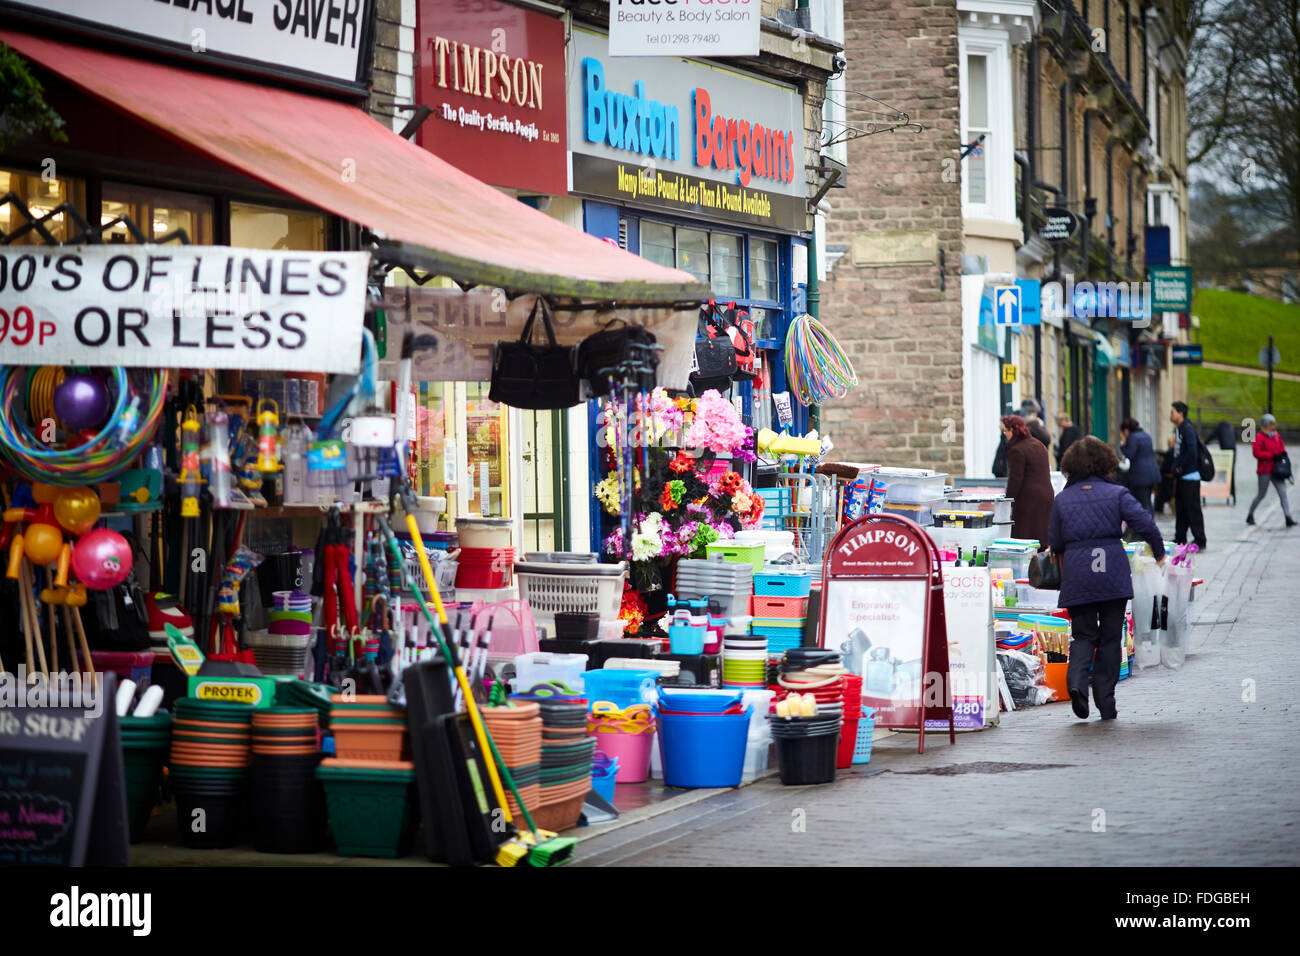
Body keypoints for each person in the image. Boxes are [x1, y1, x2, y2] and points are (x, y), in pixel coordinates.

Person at [1050, 437, 1166, 720]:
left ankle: (1077, 684)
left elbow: (1055, 541)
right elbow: (1146, 523)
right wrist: (1159, 552)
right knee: (1112, 638)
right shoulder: (1118, 494)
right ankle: (1105, 699)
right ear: (1106, 462)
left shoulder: (1062, 499)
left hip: (1078, 573)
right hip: (1111, 573)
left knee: (1083, 635)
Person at [1002, 414, 1054, 546]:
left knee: (1024, 538)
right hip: (1047, 495)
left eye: (1006, 431)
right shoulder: (1039, 444)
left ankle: (1028, 566)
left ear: (1012, 430)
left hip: (1028, 499)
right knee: (1041, 536)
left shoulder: (1017, 450)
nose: (1005, 434)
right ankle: (1043, 564)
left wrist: (1007, 502)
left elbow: (1015, 480)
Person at [1169, 401, 1208, 550]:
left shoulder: (1188, 429)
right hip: (1182, 477)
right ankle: (1180, 537)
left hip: (1190, 476)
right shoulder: (1180, 429)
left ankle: (1200, 539)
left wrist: (1180, 467)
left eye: (1173, 412)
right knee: (1181, 508)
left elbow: (1192, 452)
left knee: (1193, 509)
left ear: (1180, 413)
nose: (1171, 415)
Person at [1246, 413, 1296, 527]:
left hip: (1277, 470)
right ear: (1265, 425)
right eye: (1270, 424)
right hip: (1265, 470)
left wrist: (1282, 454)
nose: (1272, 426)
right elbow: (1256, 452)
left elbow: (1281, 447)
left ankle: (1288, 516)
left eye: (1273, 424)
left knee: (1283, 493)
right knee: (1261, 494)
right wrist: (1272, 456)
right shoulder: (1259, 437)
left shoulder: (1276, 436)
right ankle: (1250, 514)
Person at [1119, 417, 1160, 513]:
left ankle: (1147, 525)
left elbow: (1130, 454)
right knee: (1148, 502)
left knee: (1143, 503)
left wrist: (1123, 446)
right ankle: (1150, 523)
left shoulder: (1132, 438)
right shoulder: (1146, 436)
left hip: (1141, 475)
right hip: (1152, 473)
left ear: (1126, 430)